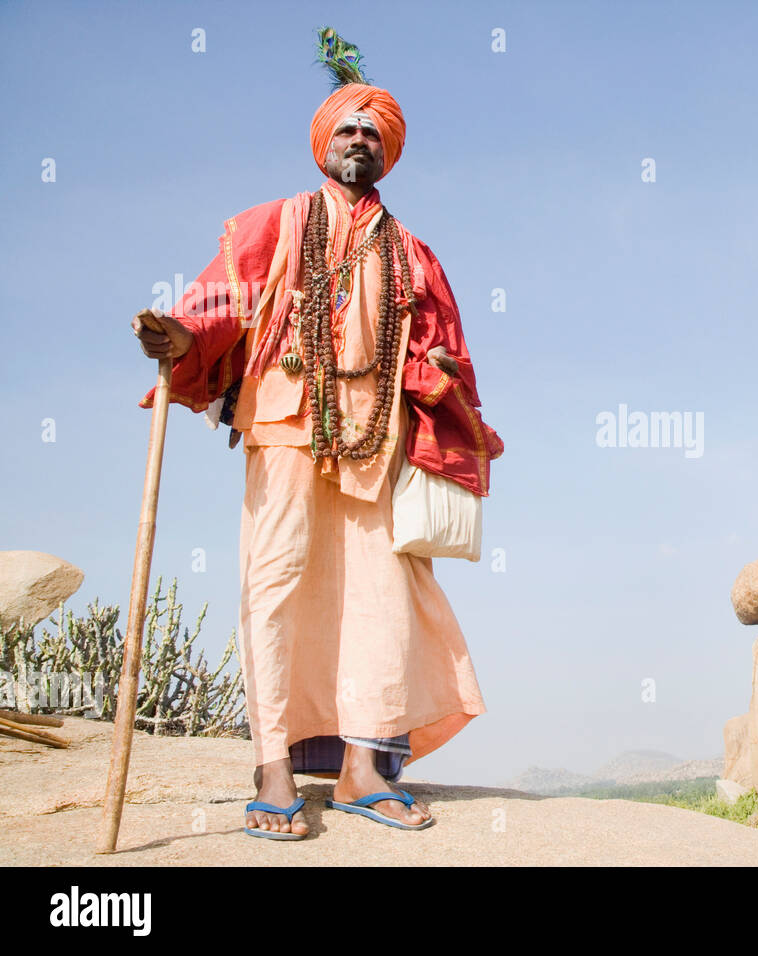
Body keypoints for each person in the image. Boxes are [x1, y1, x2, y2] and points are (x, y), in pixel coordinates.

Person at [130, 30, 503, 839]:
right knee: (275, 588)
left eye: (373, 132)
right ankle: (272, 772)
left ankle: (364, 772)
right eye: (347, 129)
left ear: (388, 151)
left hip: (379, 442)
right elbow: (219, 303)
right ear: (323, 143)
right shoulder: (277, 222)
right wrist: (182, 340)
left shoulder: (414, 253)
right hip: (284, 427)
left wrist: (438, 370)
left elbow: (449, 353)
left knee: (380, 599)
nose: (360, 141)